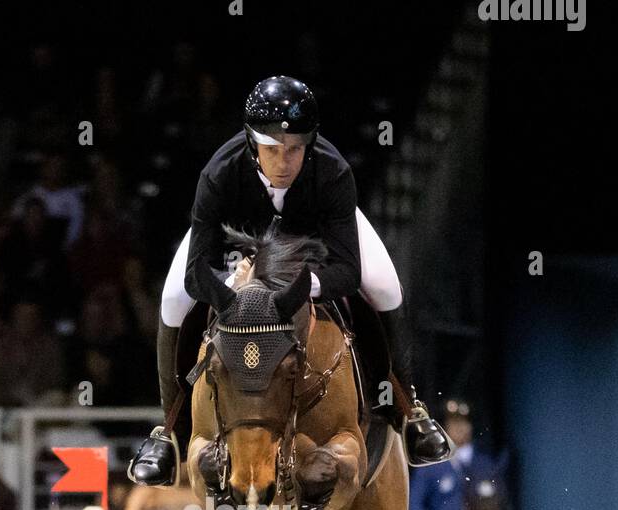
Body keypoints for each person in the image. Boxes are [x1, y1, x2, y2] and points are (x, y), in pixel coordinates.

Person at [128, 75, 452, 487]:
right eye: (273, 150)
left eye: (296, 149)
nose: (284, 163)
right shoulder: (219, 174)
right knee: (173, 299)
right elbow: (196, 273)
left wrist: (302, 284)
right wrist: (234, 293)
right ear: (252, 143)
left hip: (314, 243)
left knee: (386, 287)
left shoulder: (332, 172)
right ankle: (168, 434)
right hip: (235, 246)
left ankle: (410, 413)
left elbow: (347, 272)